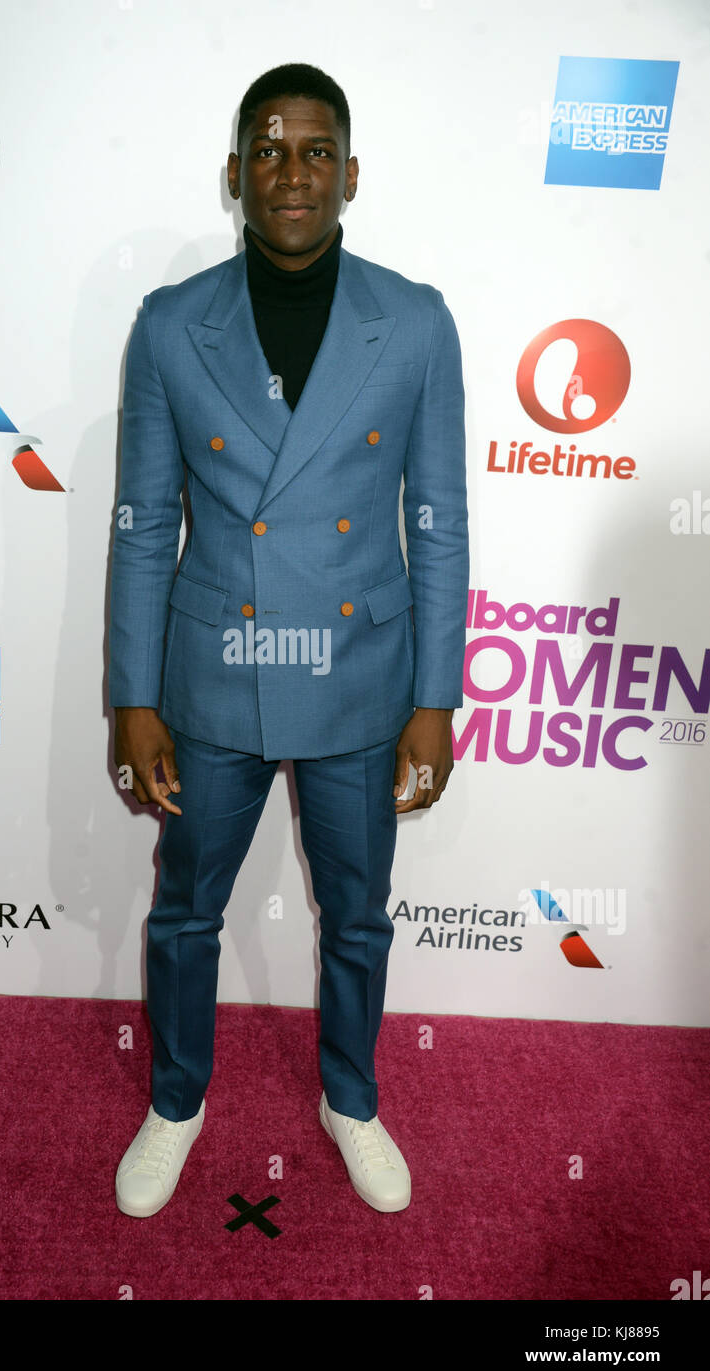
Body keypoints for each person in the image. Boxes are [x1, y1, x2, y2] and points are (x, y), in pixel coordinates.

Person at [109, 62, 469, 1218]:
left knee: (358, 913)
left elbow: (437, 518)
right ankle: (176, 1099)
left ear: (350, 174)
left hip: (362, 675)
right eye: (268, 150)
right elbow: (144, 521)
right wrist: (132, 693)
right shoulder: (171, 328)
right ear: (233, 176)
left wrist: (435, 695)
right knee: (185, 910)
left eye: (315, 151)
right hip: (214, 675)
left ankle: (351, 1098)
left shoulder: (413, 321)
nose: (292, 172)